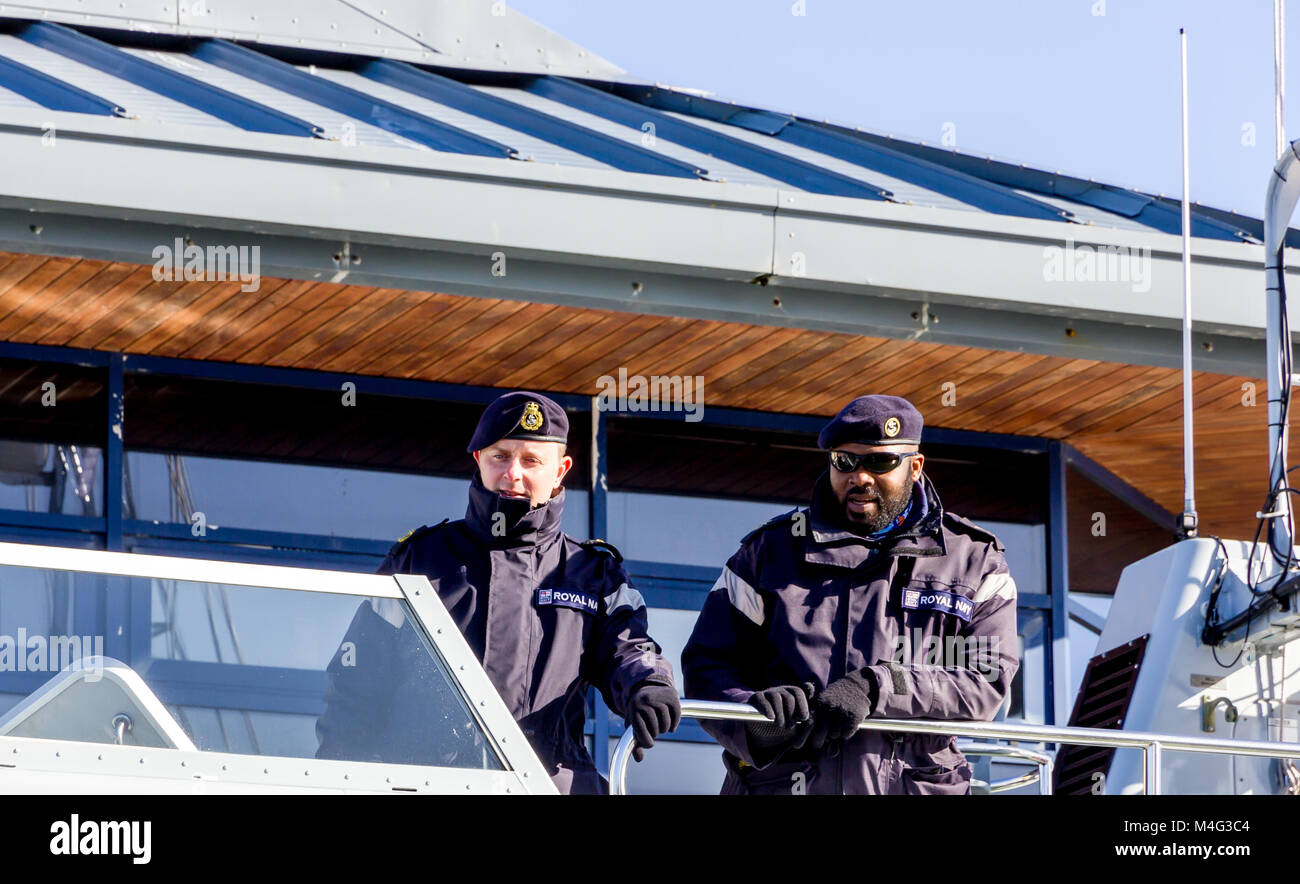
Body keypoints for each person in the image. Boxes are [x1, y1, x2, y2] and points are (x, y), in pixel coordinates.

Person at [316, 391, 680, 793]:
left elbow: (628, 651)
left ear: (560, 469)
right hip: (424, 785)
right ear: (478, 460)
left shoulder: (594, 575)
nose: (513, 474)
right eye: (500, 457)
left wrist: (649, 685)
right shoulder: (420, 561)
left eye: (531, 461)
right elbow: (355, 684)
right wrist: (340, 774)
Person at [681, 394, 1019, 795]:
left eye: (879, 462)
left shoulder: (973, 560)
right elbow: (707, 666)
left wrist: (879, 687)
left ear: (915, 466)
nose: (860, 477)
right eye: (845, 462)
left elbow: (985, 680)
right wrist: (756, 717)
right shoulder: (769, 552)